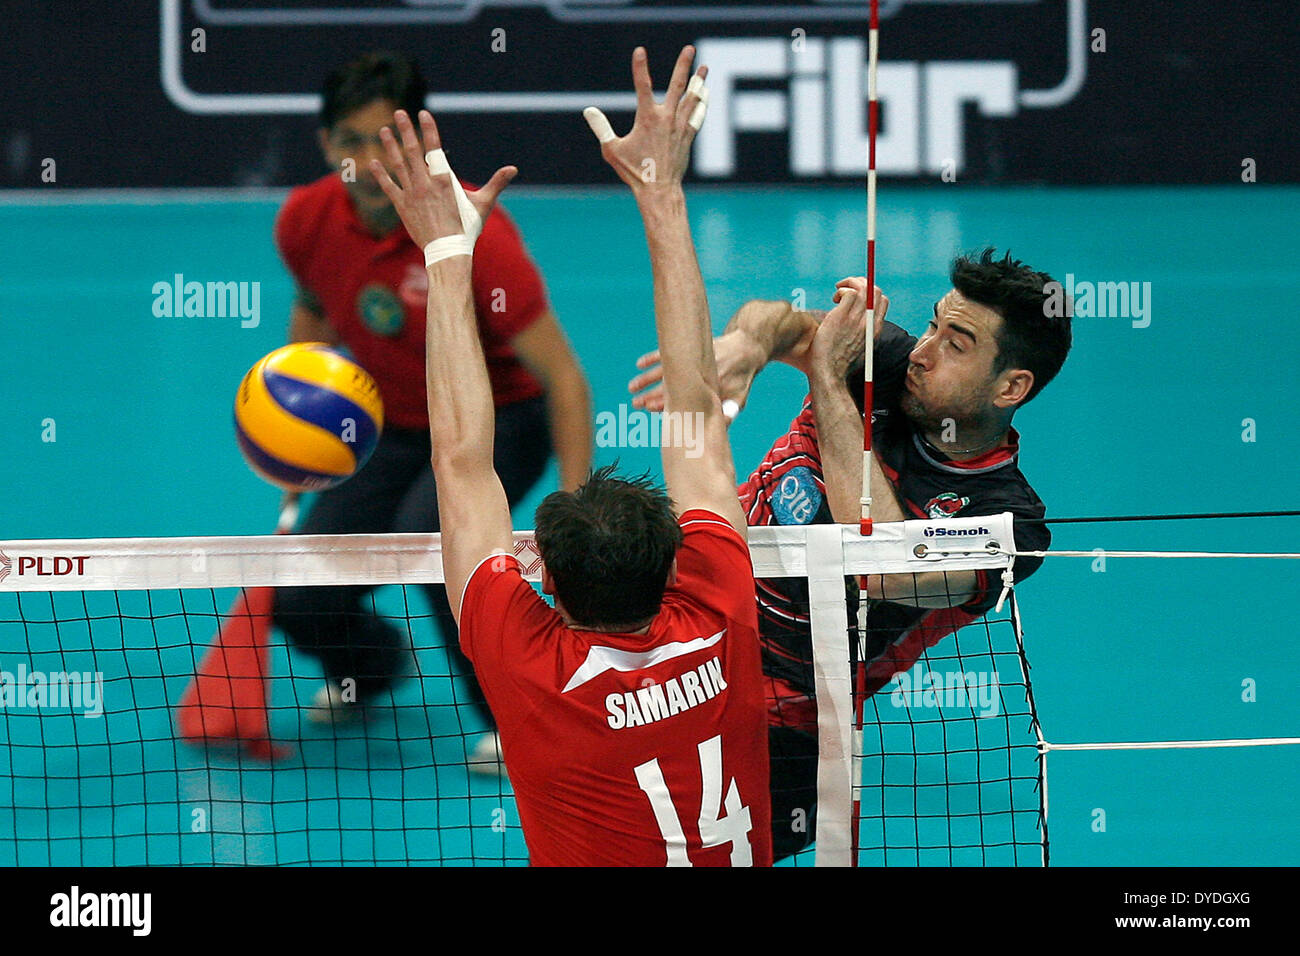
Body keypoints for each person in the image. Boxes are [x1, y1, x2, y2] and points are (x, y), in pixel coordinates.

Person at [368, 45, 772, 865]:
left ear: (544, 577)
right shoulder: (721, 603)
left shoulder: (530, 664)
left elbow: (458, 461)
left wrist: (446, 257)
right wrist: (663, 194)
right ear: (675, 562)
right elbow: (695, 414)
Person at [630, 250, 1072, 859]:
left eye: (957, 344)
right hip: (671, 642)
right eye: (933, 324)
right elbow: (780, 320)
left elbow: (878, 563)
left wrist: (828, 379)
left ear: (1011, 386)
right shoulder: (889, 362)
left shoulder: (1007, 525)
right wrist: (747, 346)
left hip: (783, 732)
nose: (923, 350)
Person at [270, 52, 592, 769]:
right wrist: (298, 452)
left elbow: (565, 381)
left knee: (433, 548)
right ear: (326, 145)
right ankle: (371, 668)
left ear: (420, 141)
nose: (366, 160)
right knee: (297, 594)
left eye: (384, 140)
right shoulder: (304, 220)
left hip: (500, 419)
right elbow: (313, 319)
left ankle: (513, 713)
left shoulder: (480, 232)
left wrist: (577, 505)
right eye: (349, 142)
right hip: (384, 426)